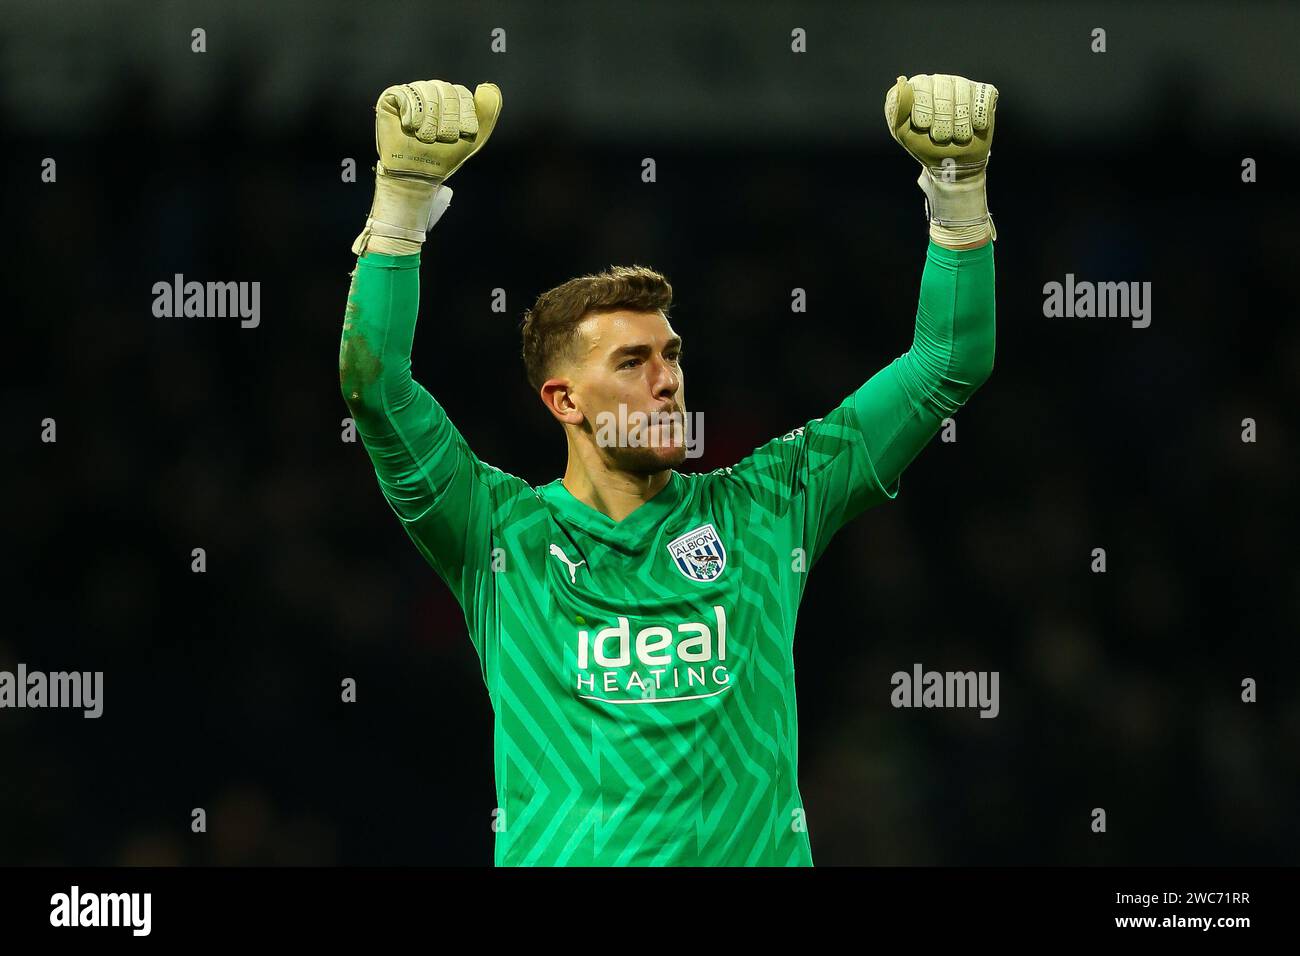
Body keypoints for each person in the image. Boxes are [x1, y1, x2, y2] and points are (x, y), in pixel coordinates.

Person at [339, 74, 998, 865]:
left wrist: (957, 197)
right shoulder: (495, 531)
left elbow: (947, 363)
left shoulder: (765, 507)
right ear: (564, 400)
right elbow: (376, 388)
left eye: (672, 356)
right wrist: (401, 211)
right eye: (632, 361)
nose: (666, 380)